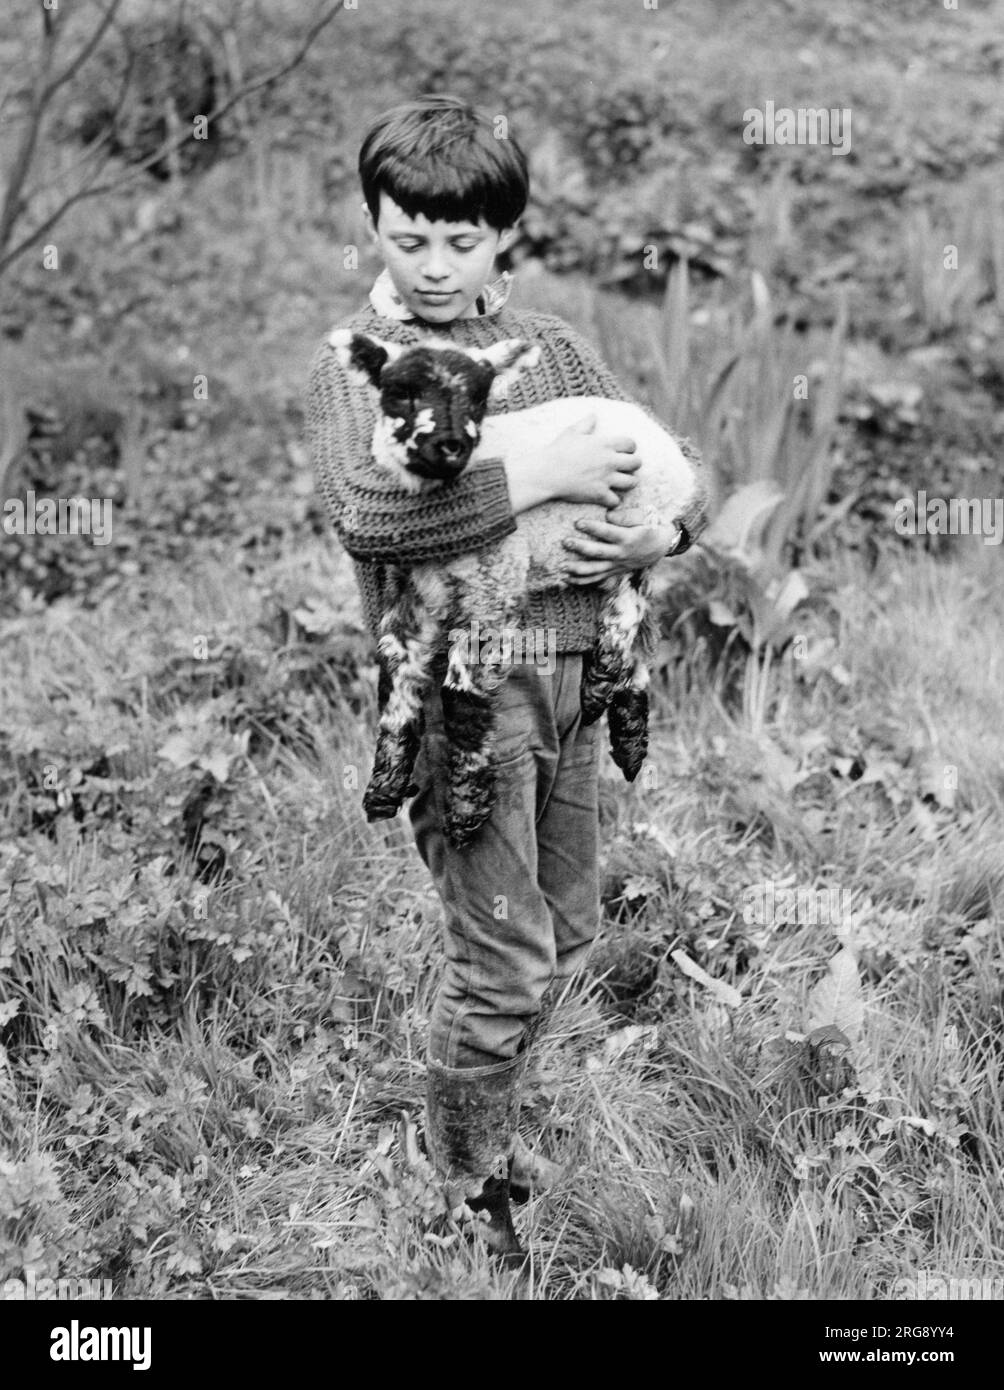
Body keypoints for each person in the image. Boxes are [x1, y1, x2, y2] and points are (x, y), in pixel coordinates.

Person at [307, 93, 708, 1261]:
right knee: (502, 951)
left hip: (576, 680)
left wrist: (656, 540)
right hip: (460, 703)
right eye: (407, 236)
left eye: (462, 239)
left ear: (504, 237)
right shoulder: (359, 365)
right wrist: (535, 475)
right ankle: (466, 1179)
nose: (435, 265)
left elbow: (676, 461)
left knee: (569, 924)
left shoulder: (555, 350)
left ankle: (499, 1110)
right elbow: (367, 509)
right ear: (373, 225)